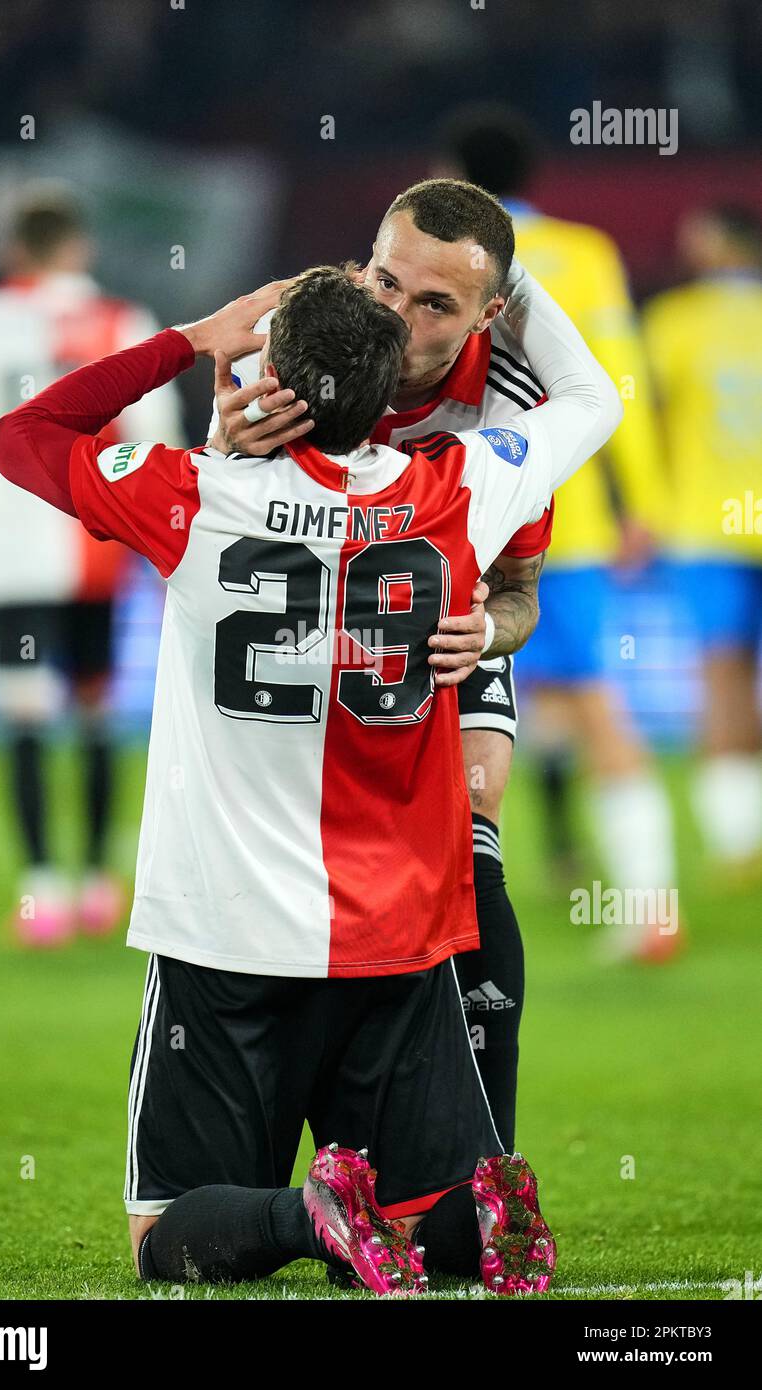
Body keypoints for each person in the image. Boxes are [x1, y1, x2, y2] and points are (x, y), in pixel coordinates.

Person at [0, 261, 620, 1295]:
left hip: (224, 934)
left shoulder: (191, 493)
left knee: (167, 1239)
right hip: (397, 936)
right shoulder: (459, 482)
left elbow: (19, 437)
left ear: (267, 374)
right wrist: (493, 273)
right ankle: (470, 1211)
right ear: (392, 392)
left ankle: (306, 1212)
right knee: (423, 1218)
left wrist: (195, 337)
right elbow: (588, 397)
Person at [212, 178, 555, 1152]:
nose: (396, 317)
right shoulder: (294, 343)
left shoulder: (512, 402)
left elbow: (521, 592)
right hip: (295, 629)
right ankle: (313, 1142)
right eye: (385, 281)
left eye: (435, 303)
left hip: (433, 631)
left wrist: (479, 635)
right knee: (289, 853)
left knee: (470, 840)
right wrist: (228, 448)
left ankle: (488, 1163)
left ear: (489, 313)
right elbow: (205, 512)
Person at [437, 106, 680, 964]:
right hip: (563, 522)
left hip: (456, 520)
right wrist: (636, 505)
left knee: (574, 709)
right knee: (540, 712)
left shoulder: (435, 251)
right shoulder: (584, 253)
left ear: (455, 175)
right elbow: (620, 383)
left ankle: (651, 907)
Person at [0, 185, 183, 946]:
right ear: (79, 249)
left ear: (13, 251)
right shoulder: (125, 322)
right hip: (97, 549)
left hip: (10, 551)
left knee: (25, 714)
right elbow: (155, 443)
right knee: (99, 711)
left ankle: (40, 892)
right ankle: (102, 883)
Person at [642, 205, 762, 876]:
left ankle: (736, 842)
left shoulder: (674, 321)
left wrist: (645, 509)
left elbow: (645, 419)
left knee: (721, 677)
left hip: (704, 525)